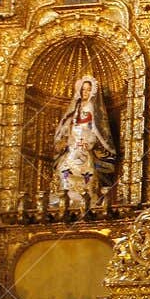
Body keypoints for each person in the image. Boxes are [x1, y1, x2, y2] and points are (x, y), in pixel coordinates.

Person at [50, 74, 116, 215]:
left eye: (87, 90)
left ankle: (84, 201)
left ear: (92, 92)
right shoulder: (76, 108)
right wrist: (65, 138)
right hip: (71, 147)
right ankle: (65, 200)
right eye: (83, 89)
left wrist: (89, 143)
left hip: (84, 147)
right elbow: (67, 125)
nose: (84, 92)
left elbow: (96, 130)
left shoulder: (93, 109)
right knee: (63, 170)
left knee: (88, 173)